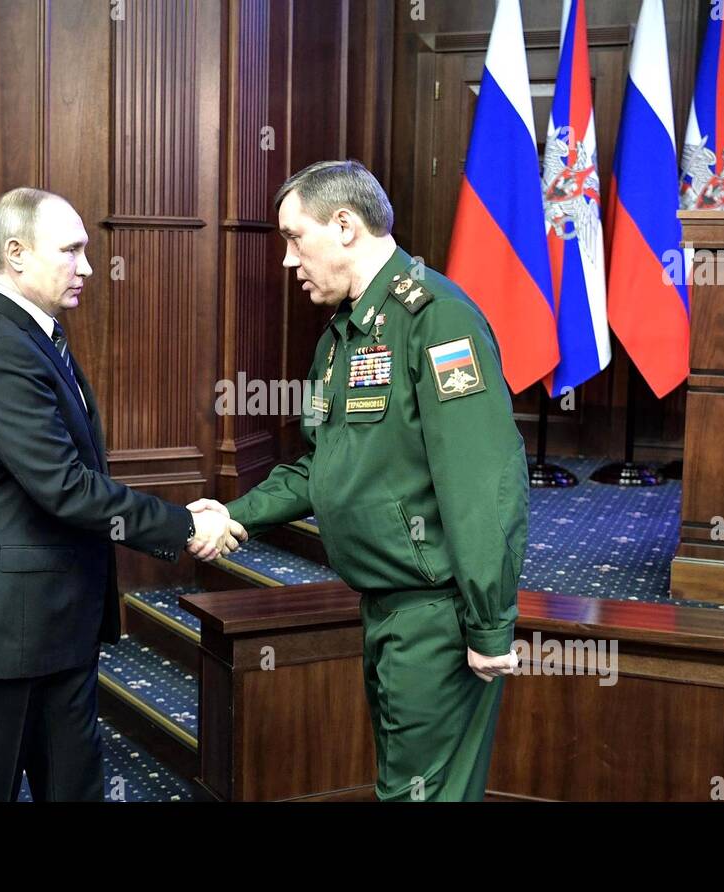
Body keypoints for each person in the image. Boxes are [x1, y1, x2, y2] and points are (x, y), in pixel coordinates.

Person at [225, 160, 529, 801]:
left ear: (343, 225)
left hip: (435, 613)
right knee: (405, 789)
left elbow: (481, 483)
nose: (288, 260)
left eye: (293, 236)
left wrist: (489, 622)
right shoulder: (343, 334)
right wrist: (236, 516)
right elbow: (323, 464)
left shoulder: (438, 319)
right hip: (385, 606)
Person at [0, 187, 244, 801]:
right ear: (15, 254)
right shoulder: (0, 350)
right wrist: (183, 525)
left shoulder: (34, 336)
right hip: (1, 630)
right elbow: (67, 490)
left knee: (74, 787)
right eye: (71, 250)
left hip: (53, 619)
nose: (89, 267)